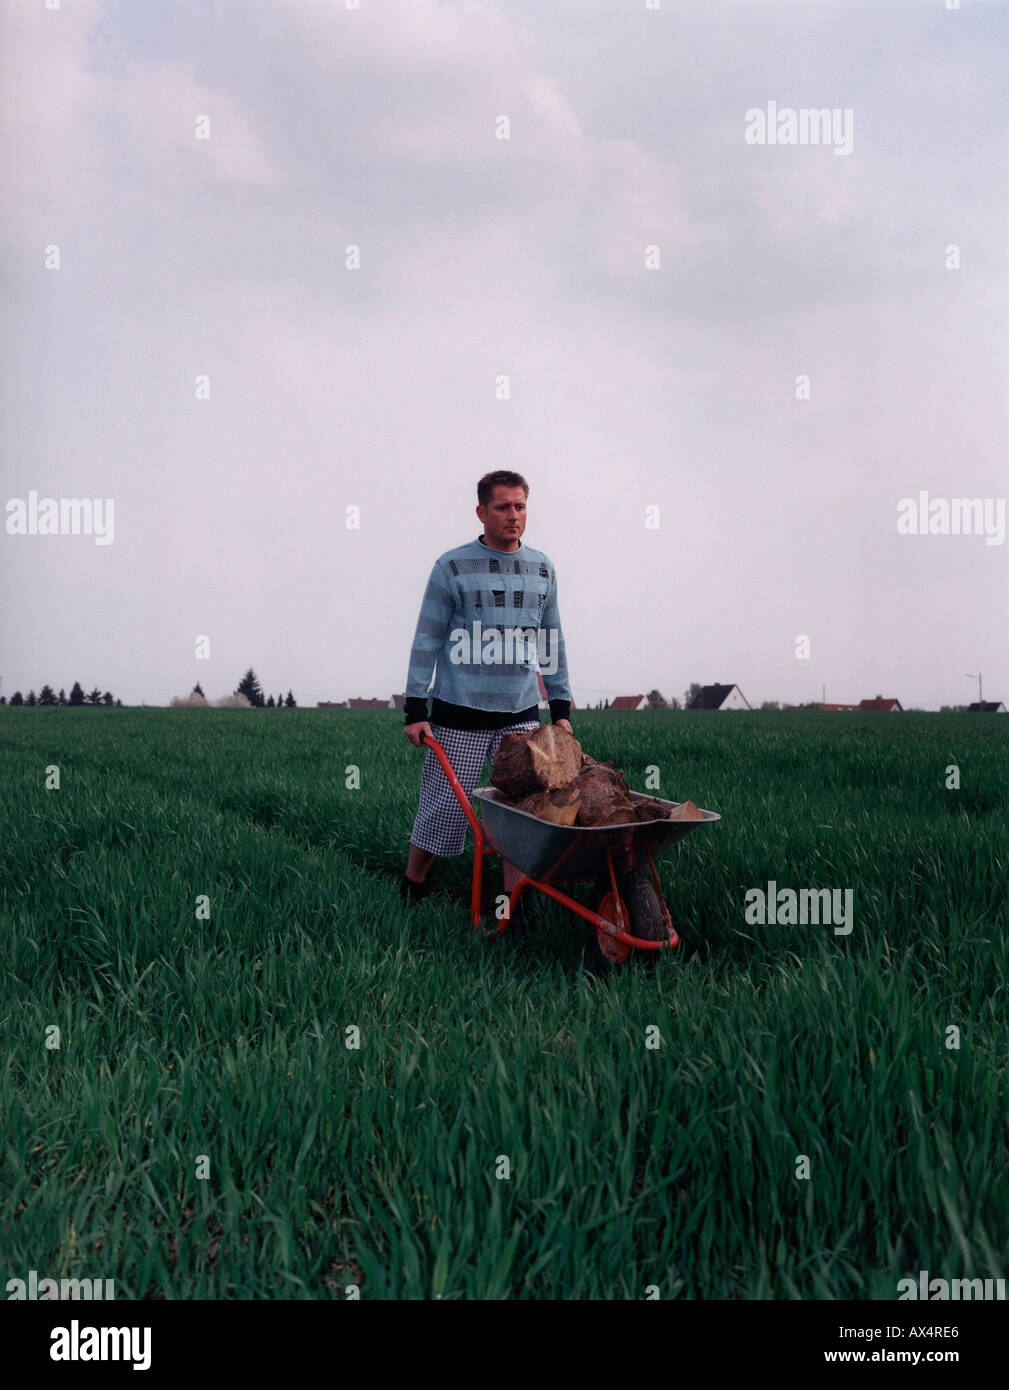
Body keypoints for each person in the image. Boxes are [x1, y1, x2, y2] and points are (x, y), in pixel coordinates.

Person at [401, 470, 573, 930]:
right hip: (459, 713)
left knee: (517, 815)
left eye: (519, 506)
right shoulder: (452, 567)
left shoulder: (542, 568)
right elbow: (427, 640)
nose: (513, 515)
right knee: (443, 807)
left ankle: (509, 905)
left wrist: (560, 711)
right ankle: (413, 883)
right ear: (482, 512)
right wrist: (416, 709)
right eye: (503, 507)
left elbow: (551, 641)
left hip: (520, 716)